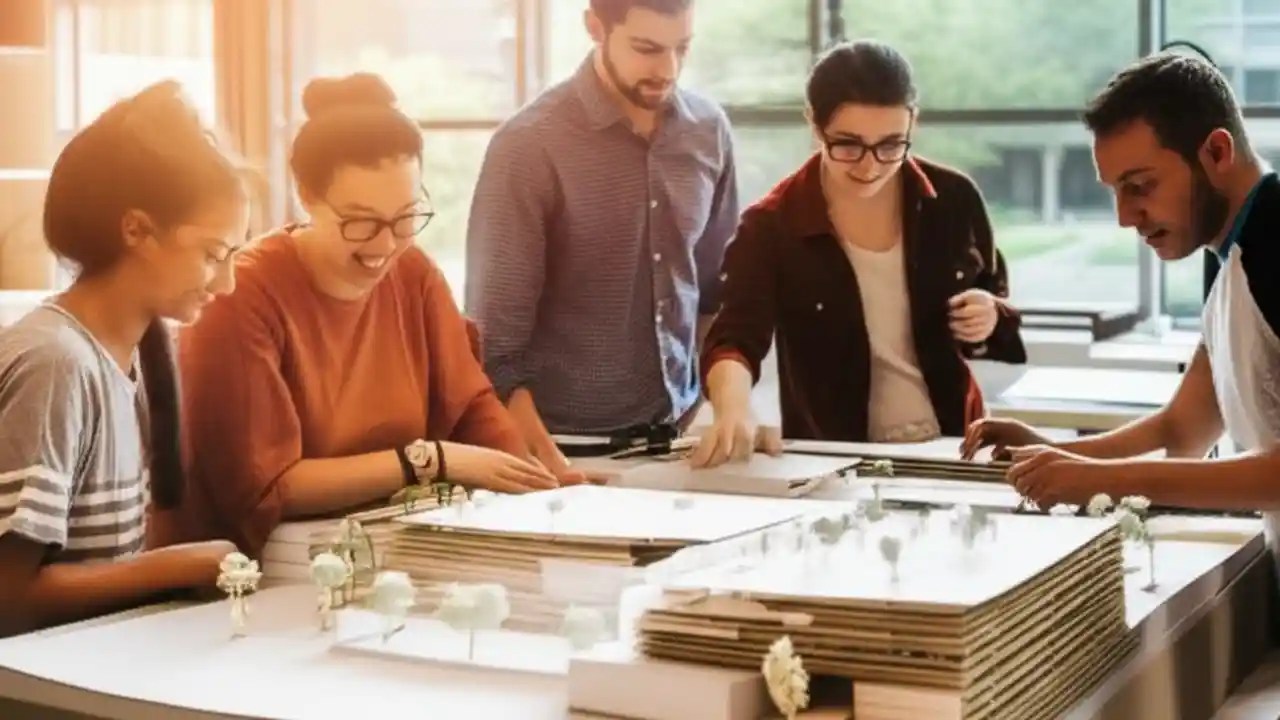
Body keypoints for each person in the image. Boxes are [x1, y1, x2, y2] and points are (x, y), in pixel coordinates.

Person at [169, 74, 557, 559]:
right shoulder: (240, 295)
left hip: (395, 541)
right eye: (362, 222)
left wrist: (537, 493)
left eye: (405, 217)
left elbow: (471, 408)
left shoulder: (413, 274)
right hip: (263, 564)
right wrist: (427, 460)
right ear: (306, 195)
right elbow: (265, 487)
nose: (386, 244)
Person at [962, 53, 1280, 518]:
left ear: (1217, 152)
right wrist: (1051, 454)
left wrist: (1101, 479)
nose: (1125, 217)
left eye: (1140, 186)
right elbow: (1183, 428)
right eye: (1116, 191)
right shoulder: (1228, 254)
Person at [692, 40, 1026, 467]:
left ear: (913, 122)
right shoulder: (772, 225)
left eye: (891, 145)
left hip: (956, 444)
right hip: (836, 456)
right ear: (814, 124)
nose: (870, 166)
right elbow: (735, 338)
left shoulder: (953, 199)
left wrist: (991, 314)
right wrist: (734, 407)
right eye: (848, 145)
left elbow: (997, 303)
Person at [0, 81, 248, 637]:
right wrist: (175, 567)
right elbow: (7, 599)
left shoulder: (132, 357)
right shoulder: (57, 364)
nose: (227, 283)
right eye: (213, 254)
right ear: (136, 229)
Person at [465, 0, 739, 474]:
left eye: (681, 48)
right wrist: (548, 468)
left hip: (677, 448)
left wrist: (716, 407)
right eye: (646, 48)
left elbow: (716, 291)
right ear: (595, 27)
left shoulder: (708, 131)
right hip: (564, 456)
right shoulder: (528, 145)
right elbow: (495, 345)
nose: (668, 69)